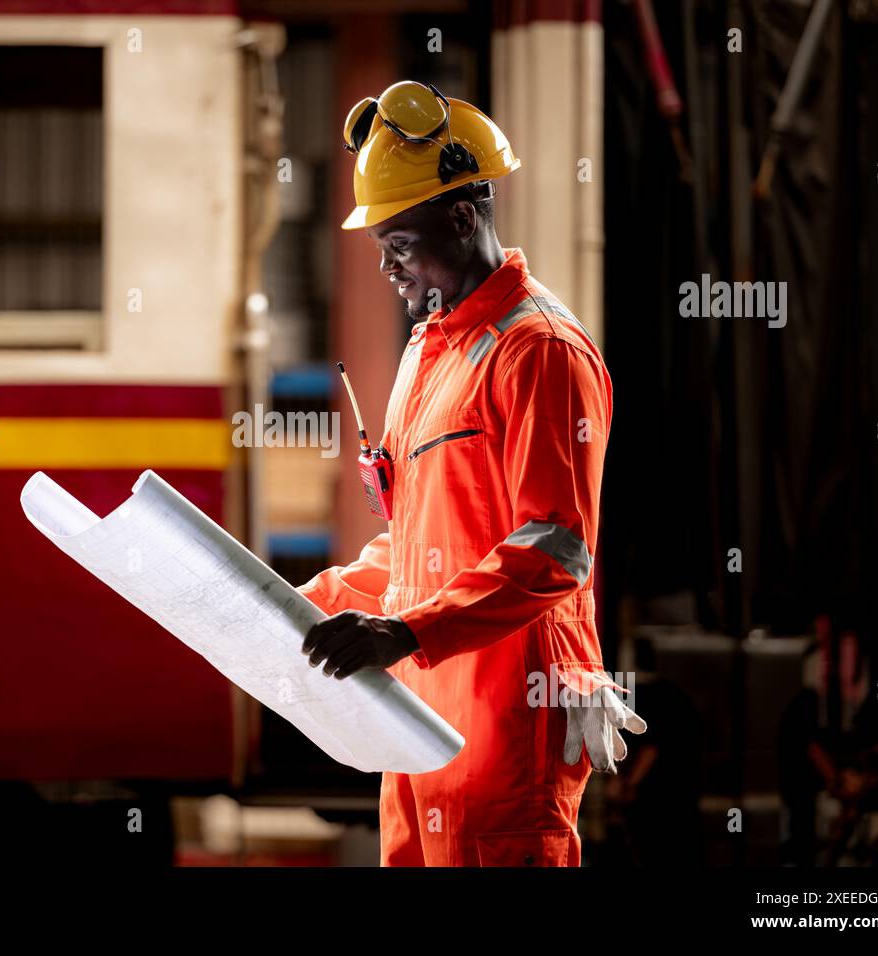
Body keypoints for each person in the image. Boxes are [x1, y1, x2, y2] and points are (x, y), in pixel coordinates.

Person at [297, 81, 645, 867]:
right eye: (381, 247)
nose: (388, 267)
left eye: (401, 244)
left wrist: (408, 631)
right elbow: (423, 538)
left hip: (507, 722)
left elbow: (555, 552)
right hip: (419, 716)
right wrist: (308, 604)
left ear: (462, 216)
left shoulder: (539, 351)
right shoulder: (429, 350)